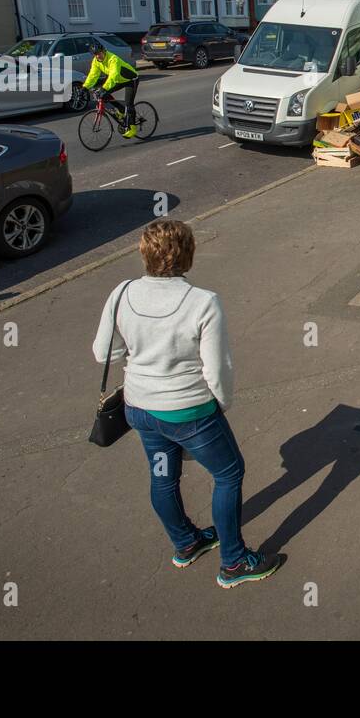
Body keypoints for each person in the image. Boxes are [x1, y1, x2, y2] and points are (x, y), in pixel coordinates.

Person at [92, 220, 281, 588]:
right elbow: (218, 368)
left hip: (139, 409)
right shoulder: (202, 302)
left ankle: (187, 542)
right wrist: (219, 407)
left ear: (144, 253)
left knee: (163, 477)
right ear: (188, 254)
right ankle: (234, 562)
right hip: (189, 411)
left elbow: (104, 351)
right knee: (228, 474)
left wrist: (139, 349)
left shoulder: (122, 292)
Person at [82, 40, 141, 138]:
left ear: (104, 51)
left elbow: (113, 76)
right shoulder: (96, 61)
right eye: (95, 54)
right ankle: (121, 110)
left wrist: (104, 88)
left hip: (131, 80)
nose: (98, 56)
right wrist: (85, 87)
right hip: (119, 80)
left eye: (99, 53)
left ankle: (133, 128)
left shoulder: (113, 59)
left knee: (129, 104)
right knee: (103, 95)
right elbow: (93, 75)